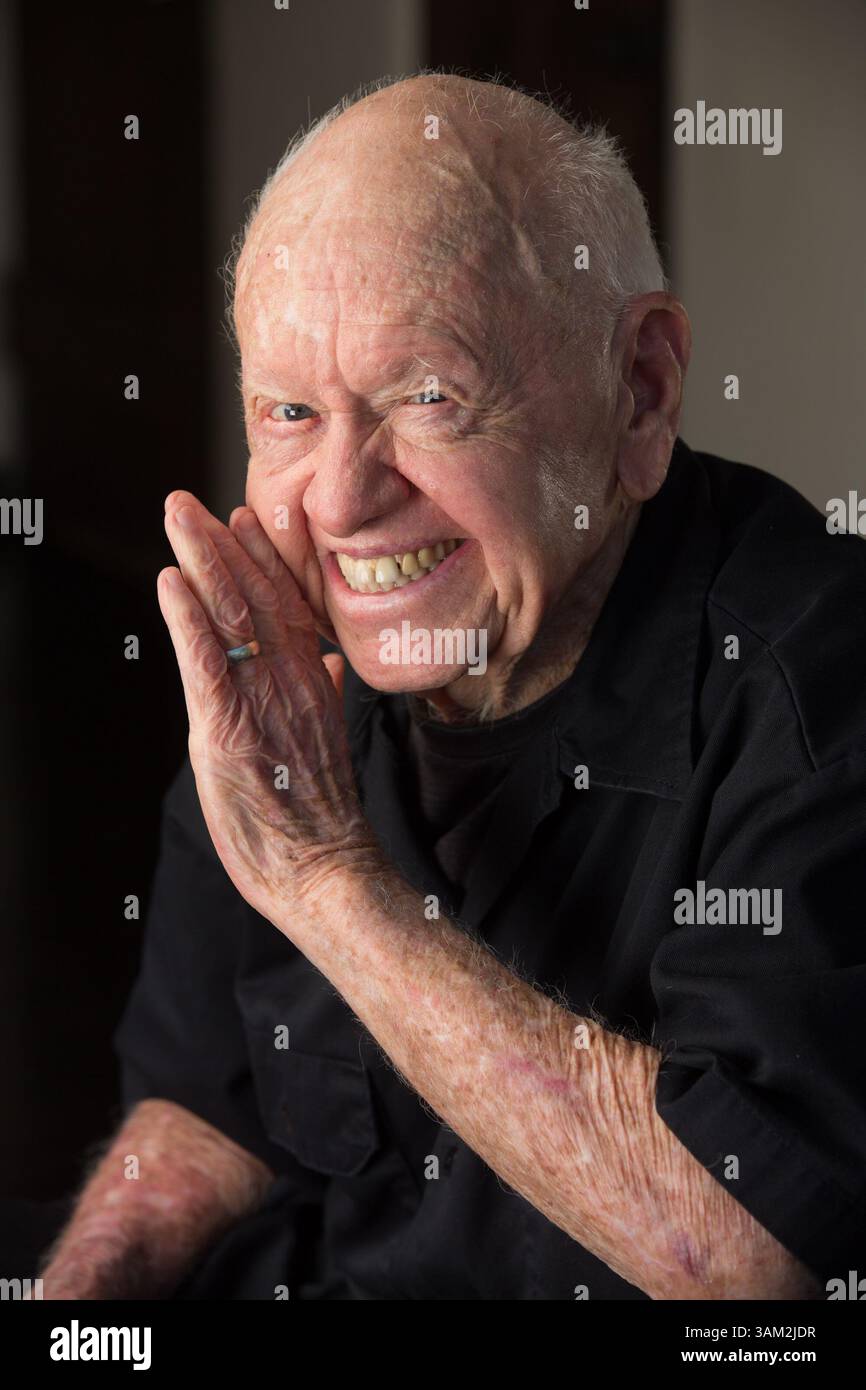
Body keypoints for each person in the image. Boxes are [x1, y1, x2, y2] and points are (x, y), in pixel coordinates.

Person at [28, 73, 866, 1300]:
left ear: (639, 387)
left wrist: (326, 884)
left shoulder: (814, 683)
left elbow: (748, 1269)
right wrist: (84, 1303)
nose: (341, 497)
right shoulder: (295, 655)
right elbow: (203, 1110)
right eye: (290, 412)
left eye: (426, 396)